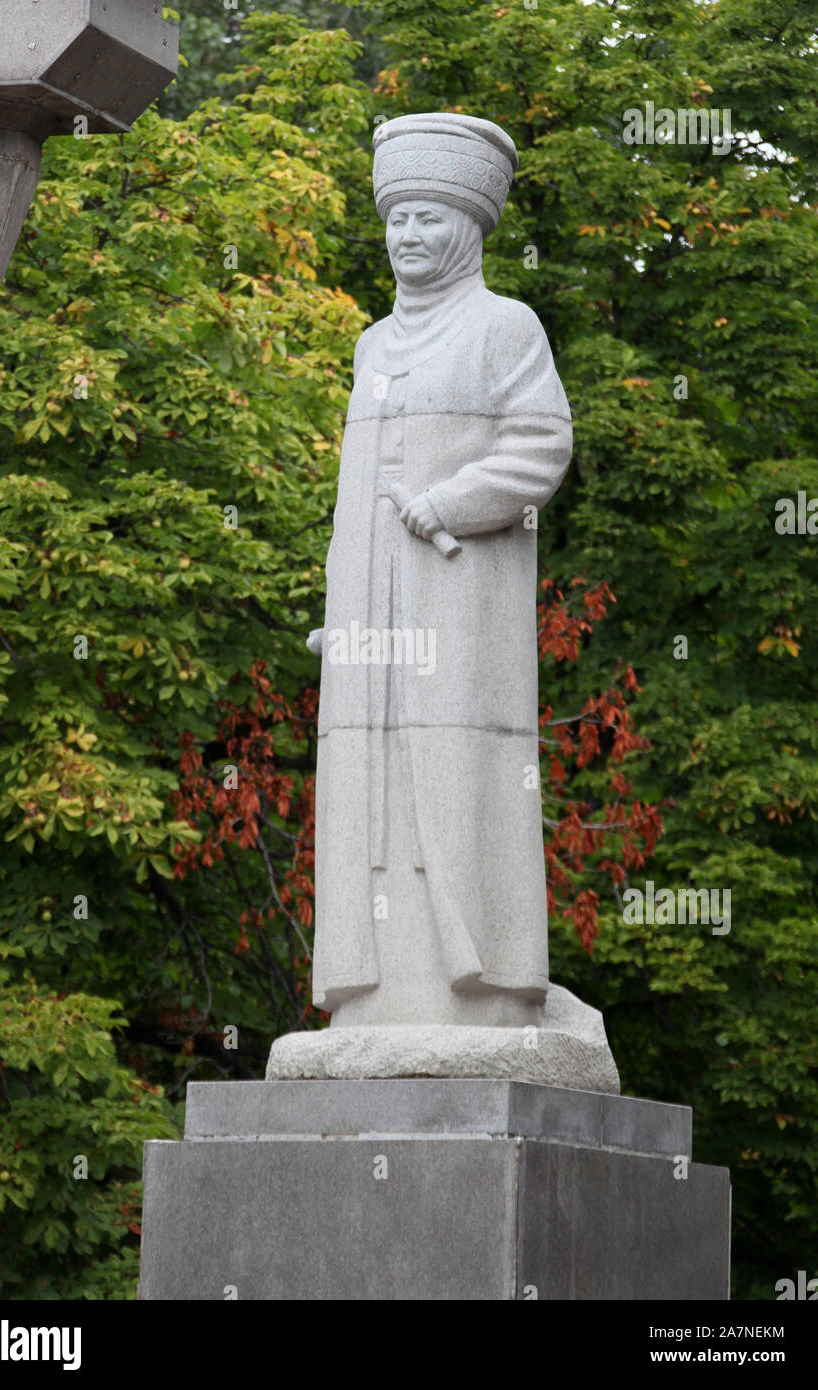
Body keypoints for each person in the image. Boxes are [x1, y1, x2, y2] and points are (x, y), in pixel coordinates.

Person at [309, 113, 573, 1030]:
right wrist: (342, 617)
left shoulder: (507, 327)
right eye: (397, 220)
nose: (409, 238)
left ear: (466, 227)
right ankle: (374, 996)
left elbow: (542, 443)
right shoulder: (372, 346)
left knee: (456, 781)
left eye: (429, 219)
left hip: (458, 612)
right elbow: (353, 500)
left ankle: (481, 992)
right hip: (371, 626)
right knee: (369, 792)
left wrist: (452, 500)